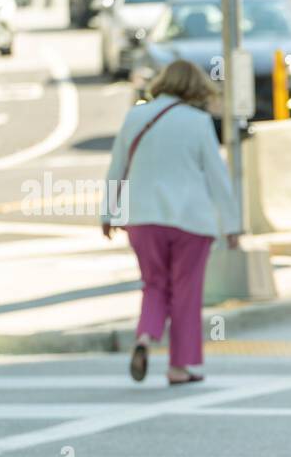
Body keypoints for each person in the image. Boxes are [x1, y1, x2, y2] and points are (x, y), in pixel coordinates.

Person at [102, 59, 241, 385]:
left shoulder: (135, 116)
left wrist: (108, 213)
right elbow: (218, 178)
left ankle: (145, 337)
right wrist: (232, 225)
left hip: (142, 218)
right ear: (195, 87)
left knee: (154, 285)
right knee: (186, 292)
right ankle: (180, 366)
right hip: (190, 221)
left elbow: (116, 168)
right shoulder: (198, 122)